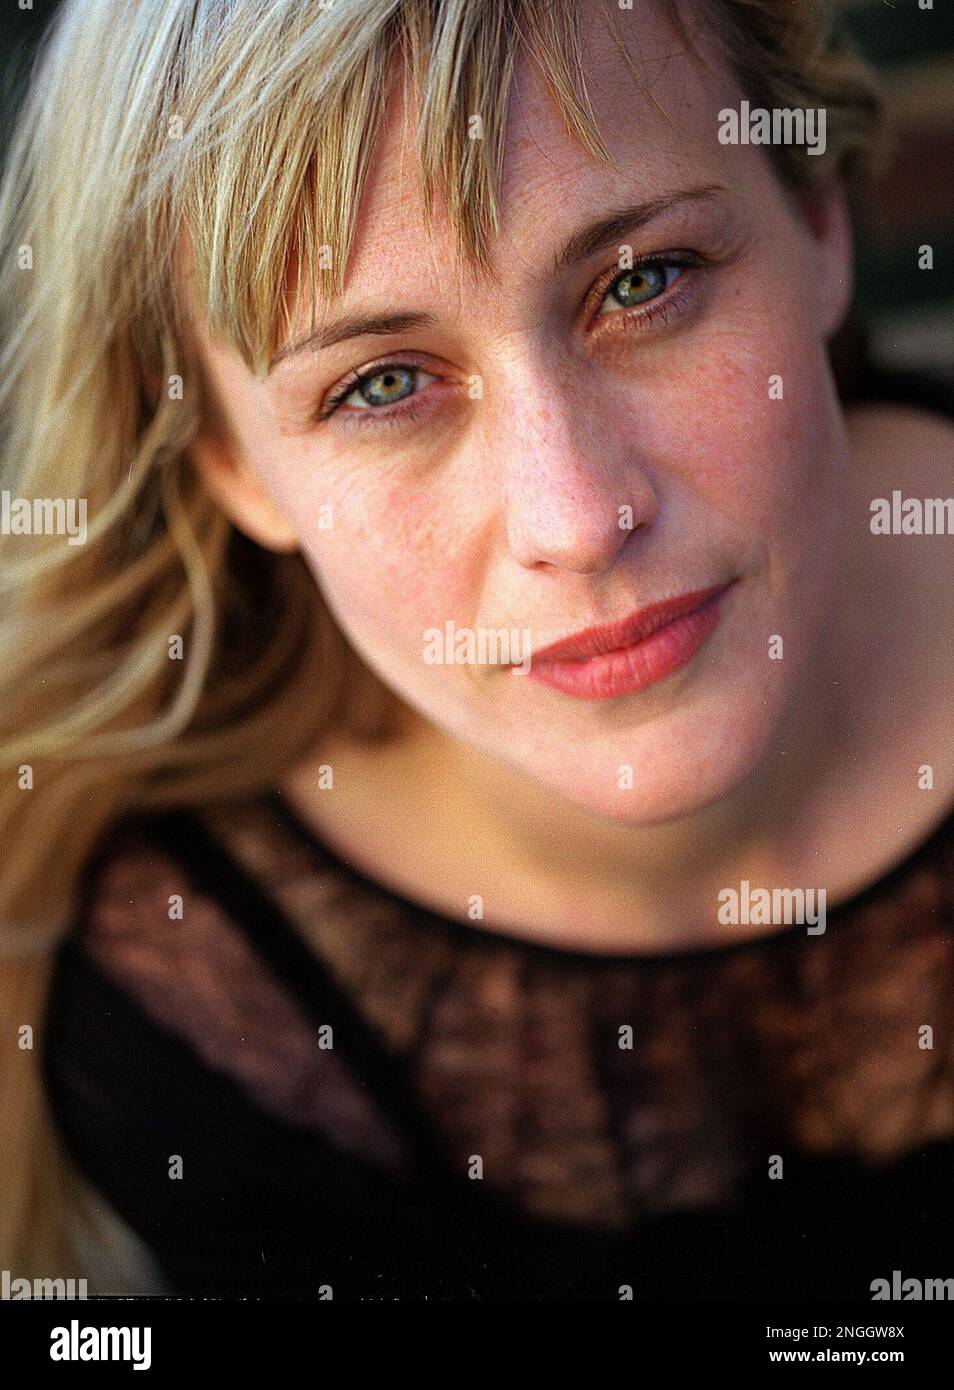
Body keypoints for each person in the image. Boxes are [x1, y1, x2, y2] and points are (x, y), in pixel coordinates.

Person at [2, 0, 953, 1297]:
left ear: (820, 221)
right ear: (233, 465)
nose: (577, 517)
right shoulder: (220, 1017)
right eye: (380, 384)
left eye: (642, 280)